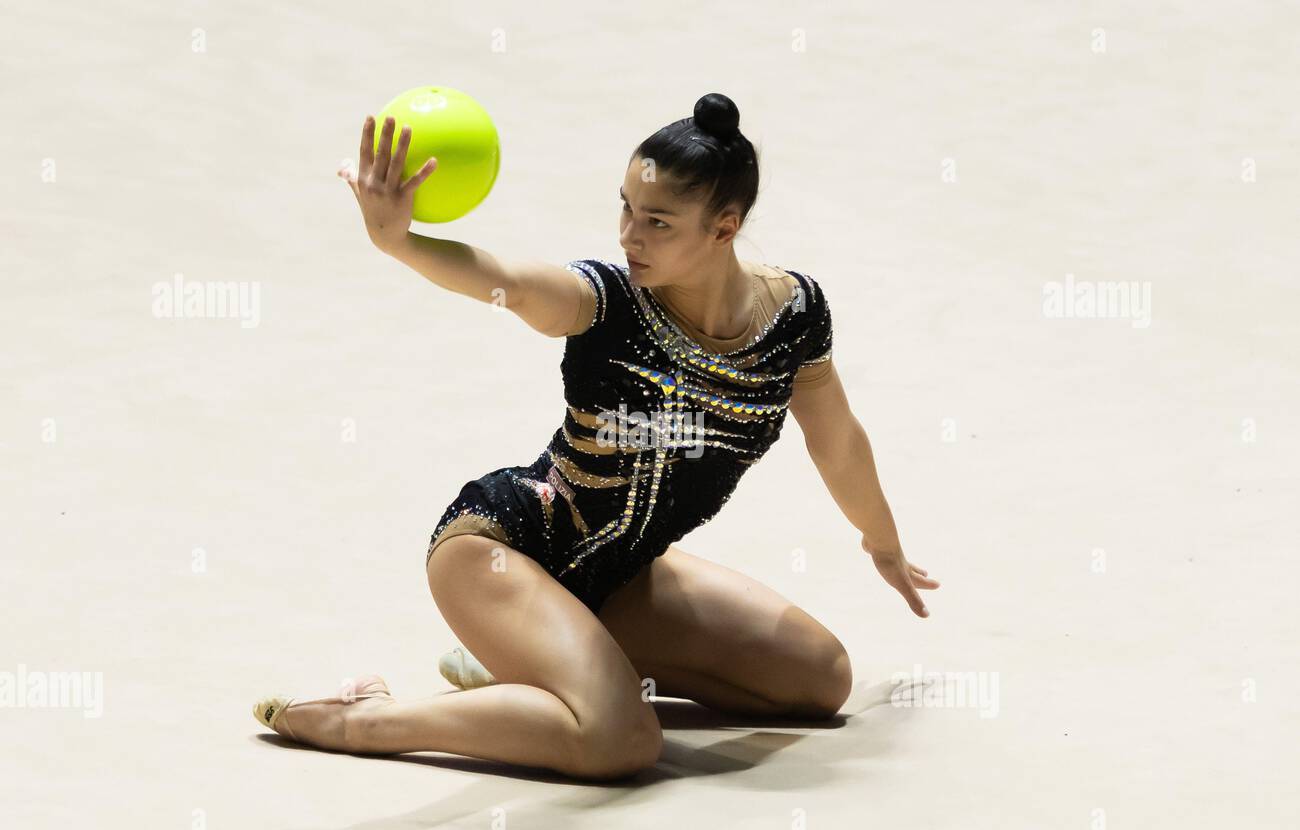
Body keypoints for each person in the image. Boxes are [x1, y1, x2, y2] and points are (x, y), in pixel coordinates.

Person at [253, 93, 939, 781]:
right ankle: (365, 718)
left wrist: (881, 540)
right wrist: (398, 240)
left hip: (620, 575)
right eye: (626, 208)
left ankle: (550, 668)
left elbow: (838, 439)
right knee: (620, 741)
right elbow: (506, 282)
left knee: (819, 680)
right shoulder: (606, 302)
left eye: (658, 222)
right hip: (506, 550)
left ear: (724, 227)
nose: (629, 236)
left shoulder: (793, 316)